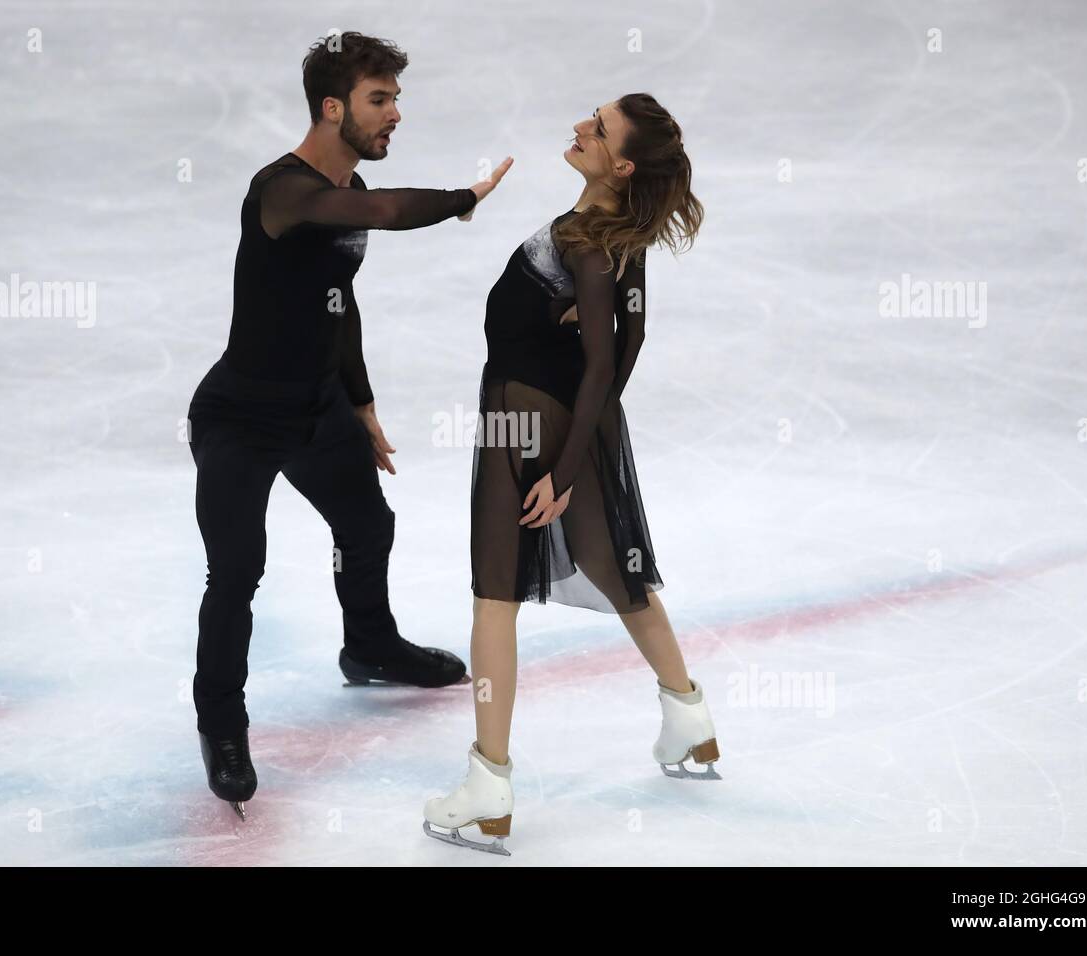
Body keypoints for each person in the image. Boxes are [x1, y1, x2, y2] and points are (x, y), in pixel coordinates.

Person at [186, 31, 512, 820]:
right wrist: (465, 199)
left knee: (367, 526)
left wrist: (358, 400)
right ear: (333, 108)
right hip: (239, 419)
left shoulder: (348, 182)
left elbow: (340, 296)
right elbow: (387, 212)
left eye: (395, 98)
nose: (395, 113)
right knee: (235, 576)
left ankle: (369, 645)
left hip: (317, 406)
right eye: (380, 99)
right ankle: (222, 728)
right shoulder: (284, 192)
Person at [422, 94, 714, 855]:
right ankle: (690, 720)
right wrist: (585, 448)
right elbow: (630, 341)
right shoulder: (621, 239)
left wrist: (558, 466)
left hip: (522, 418)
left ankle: (488, 787)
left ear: (619, 164)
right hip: (567, 422)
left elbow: (600, 358)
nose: (581, 128)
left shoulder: (587, 242)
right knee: (618, 572)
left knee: (494, 594)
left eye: (598, 128)